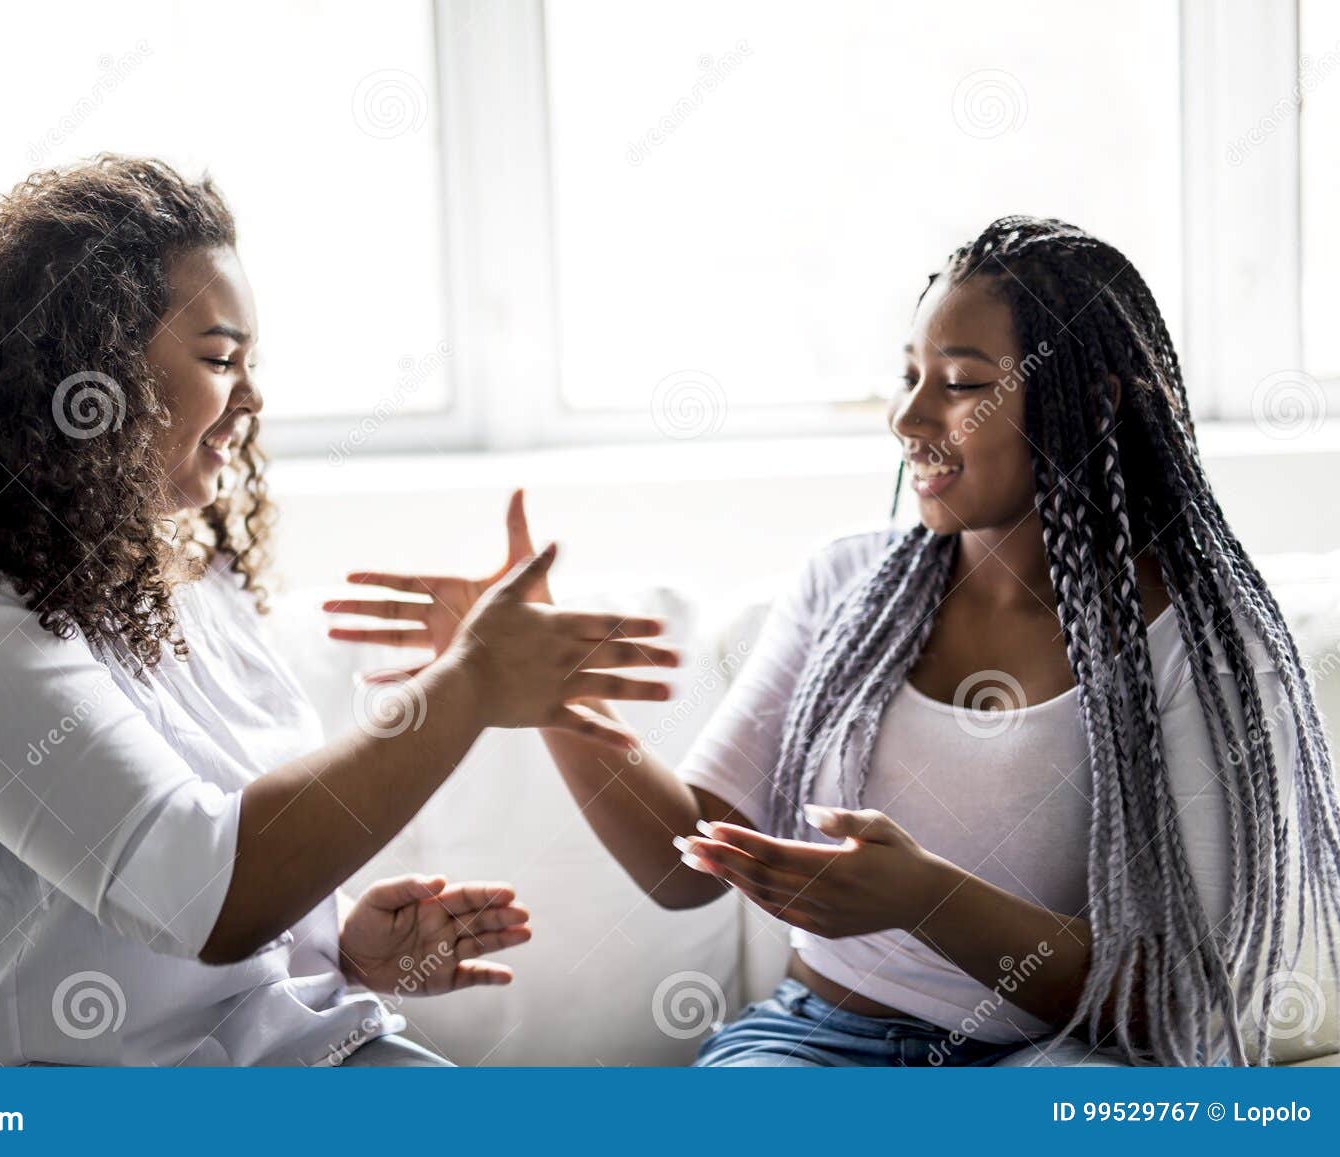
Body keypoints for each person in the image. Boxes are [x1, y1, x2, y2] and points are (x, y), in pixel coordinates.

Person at [327, 216, 1340, 1067]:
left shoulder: (1204, 644)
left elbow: (1173, 1004)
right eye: (909, 375)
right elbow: (687, 862)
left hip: (1065, 1059)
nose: (908, 416)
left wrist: (926, 896)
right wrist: (541, 685)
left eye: (959, 380)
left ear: (1094, 404)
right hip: (816, 1045)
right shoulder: (847, 586)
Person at [0, 156, 676, 1067]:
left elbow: (222, 877)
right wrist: (472, 683)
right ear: (85, 373)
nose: (251, 399)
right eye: (221, 358)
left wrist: (338, 944)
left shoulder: (191, 577)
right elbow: (195, 893)